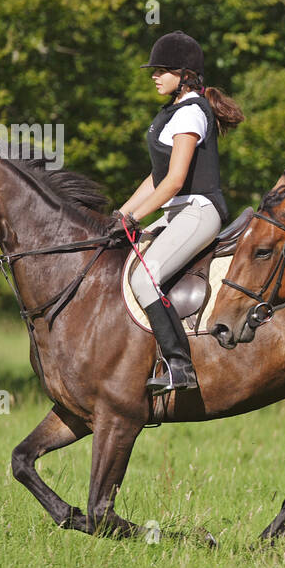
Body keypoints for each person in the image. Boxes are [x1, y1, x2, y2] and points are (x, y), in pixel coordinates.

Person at [113, 30, 243, 395]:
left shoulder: (191, 114)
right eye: (154, 70)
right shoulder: (169, 113)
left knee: (144, 279)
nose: (154, 75)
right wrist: (120, 214)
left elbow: (173, 183)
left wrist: (135, 218)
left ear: (185, 75)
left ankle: (179, 366)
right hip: (177, 212)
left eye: (162, 70)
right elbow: (156, 179)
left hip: (199, 210)